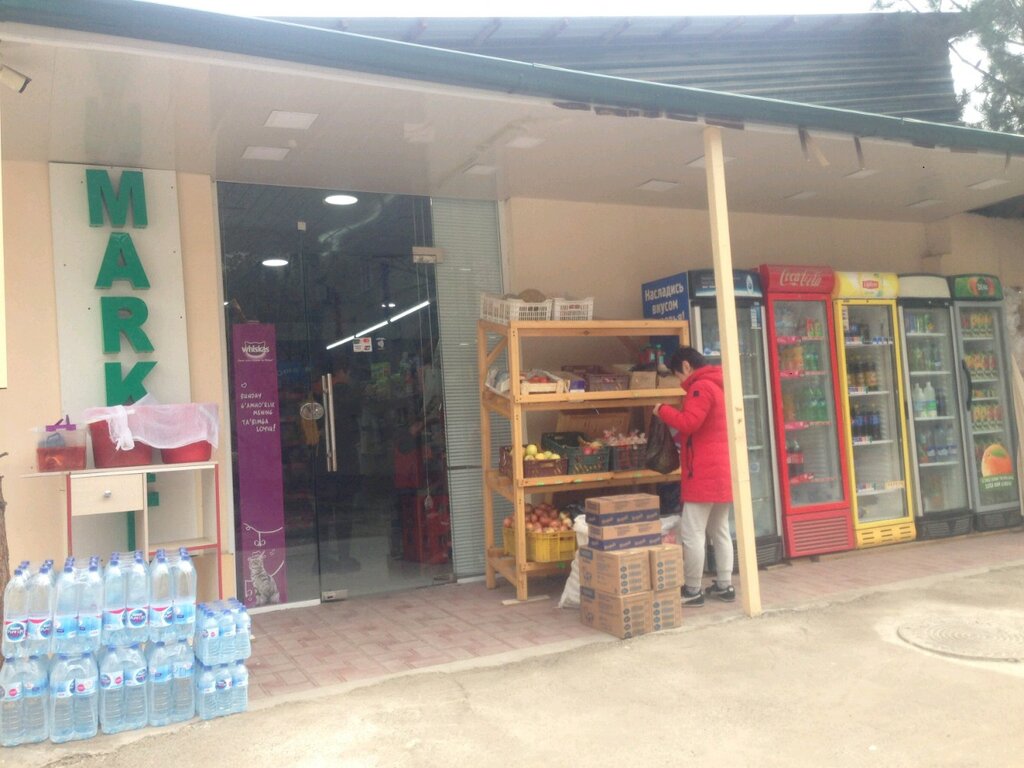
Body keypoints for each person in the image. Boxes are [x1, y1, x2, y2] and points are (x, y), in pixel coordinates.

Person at [652, 346, 735, 606]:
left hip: (703, 472)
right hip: (723, 470)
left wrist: (662, 411)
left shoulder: (700, 388)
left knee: (692, 532)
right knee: (720, 529)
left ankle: (692, 590)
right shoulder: (720, 384)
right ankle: (725, 585)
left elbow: (690, 423)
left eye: (678, 374)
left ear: (686, 366)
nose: (680, 381)